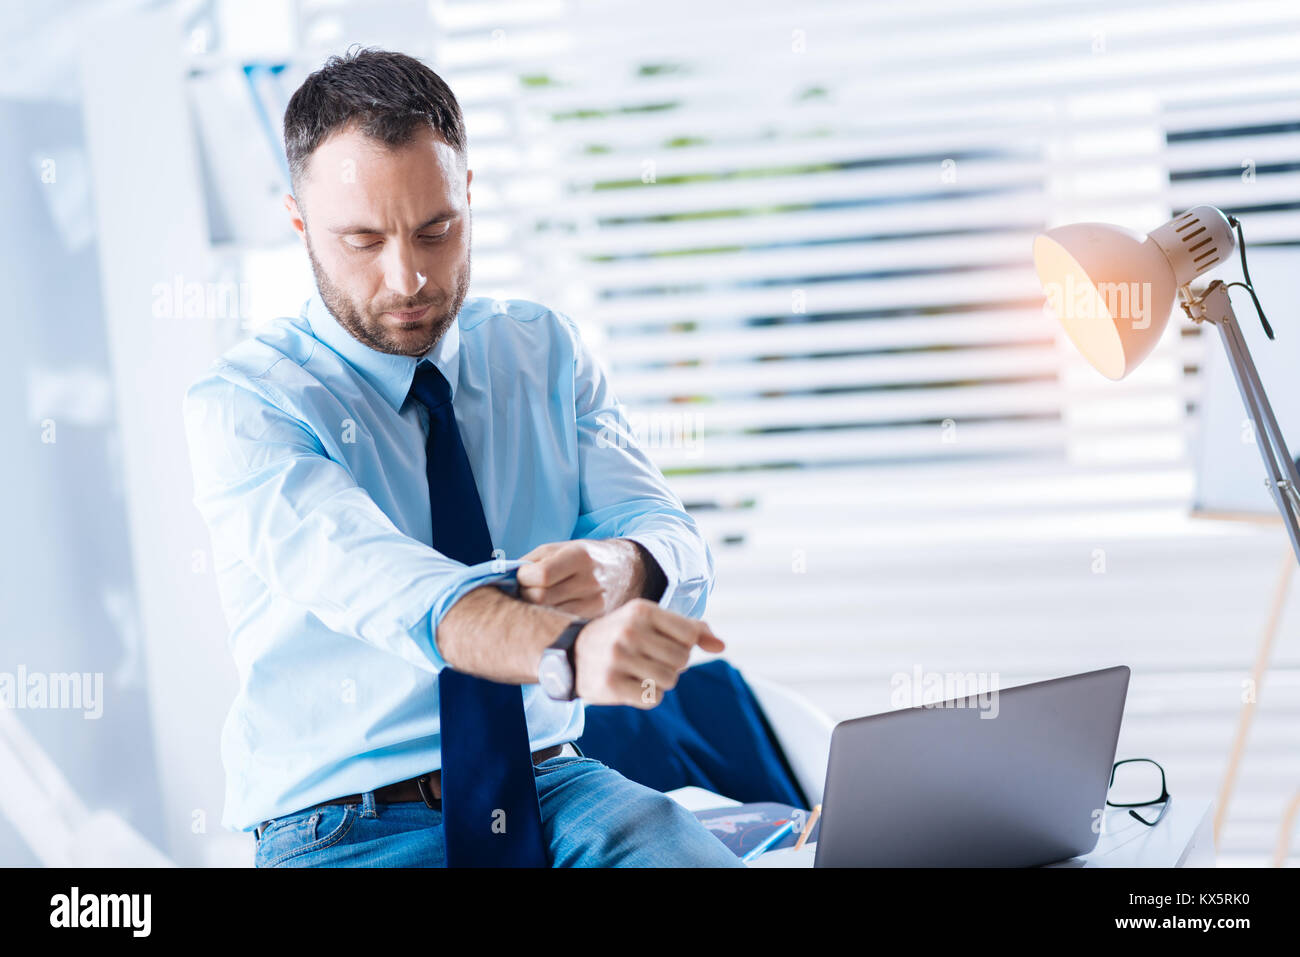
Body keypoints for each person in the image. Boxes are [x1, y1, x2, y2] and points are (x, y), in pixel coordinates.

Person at [181, 46, 743, 868]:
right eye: (362, 240)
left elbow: (666, 530)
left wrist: (621, 568)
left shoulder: (541, 351)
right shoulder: (248, 403)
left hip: (554, 786)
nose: (406, 277)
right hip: (345, 824)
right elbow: (388, 585)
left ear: (469, 197)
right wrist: (562, 649)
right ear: (300, 224)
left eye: (435, 230)